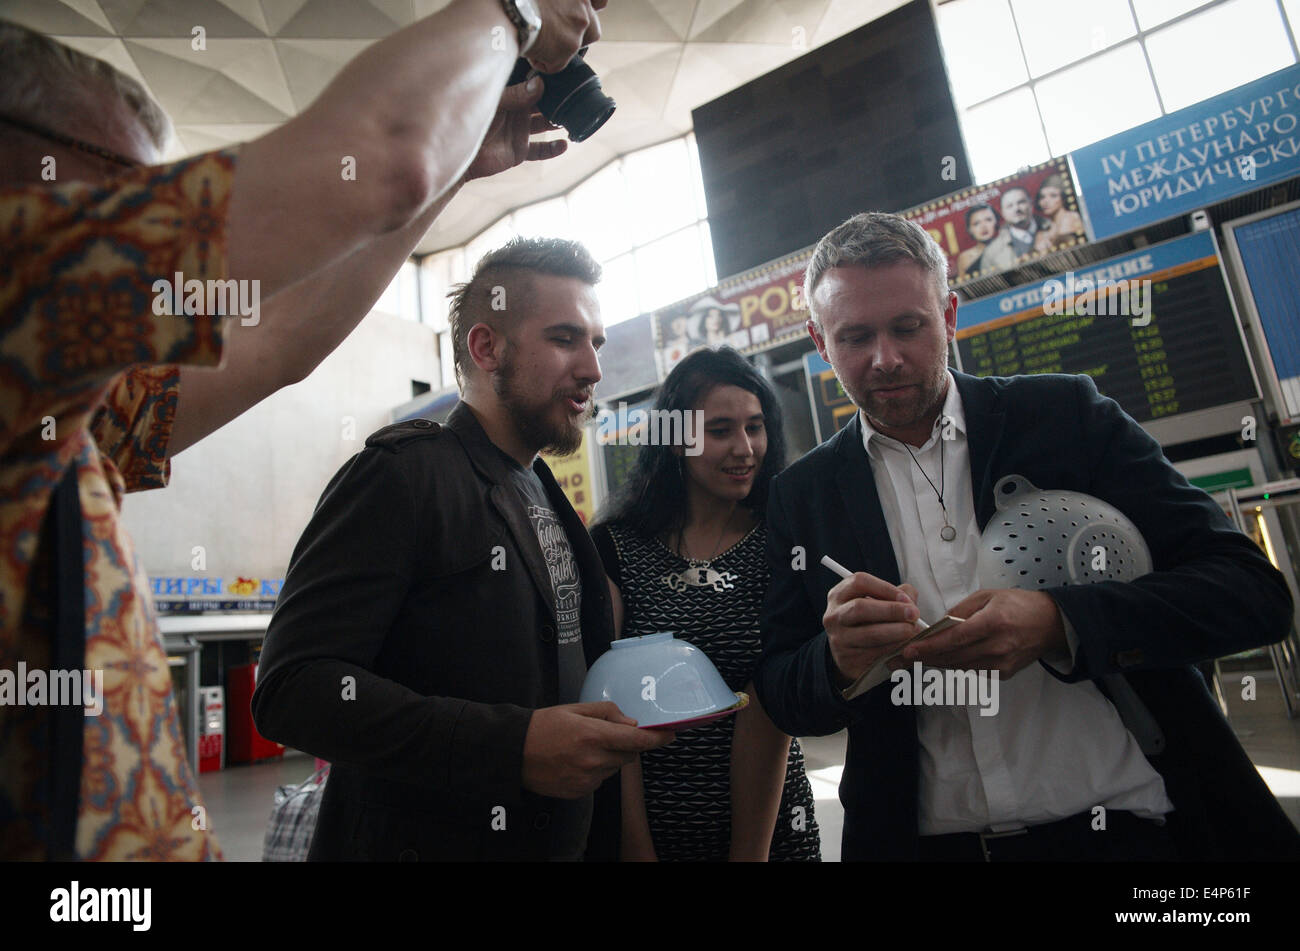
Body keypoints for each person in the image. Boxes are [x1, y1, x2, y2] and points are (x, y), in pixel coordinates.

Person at [0, 0, 608, 861]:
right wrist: (515, 11)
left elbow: (281, 344)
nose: (135, 224)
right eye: (118, 186)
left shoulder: (64, 412)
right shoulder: (14, 296)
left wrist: (457, 173)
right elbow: (391, 159)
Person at [755, 211, 1300, 861]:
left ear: (950, 314)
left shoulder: (1066, 418)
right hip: (925, 846)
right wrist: (838, 662)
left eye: (909, 327)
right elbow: (782, 688)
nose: (886, 358)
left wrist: (1060, 621)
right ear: (819, 341)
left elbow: (1252, 590)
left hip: (1118, 830)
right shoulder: (801, 495)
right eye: (855, 336)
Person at [251, 237, 674, 861]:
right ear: (486, 347)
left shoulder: (547, 495)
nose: (592, 369)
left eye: (596, 343)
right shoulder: (403, 475)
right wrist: (512, 747)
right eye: (564, 339)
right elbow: (292, 688)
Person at [590, 347, 821, 861]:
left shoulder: (783, 541)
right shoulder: (616, 548)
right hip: (653, 833)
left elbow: (775, 703)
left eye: (755, 427)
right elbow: (608, 710)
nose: (745, 449)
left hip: (772, 833)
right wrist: (636, 849)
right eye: (720, 430)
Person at [976, 186, 1039, 272]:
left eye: (1021, 202)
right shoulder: (991, 253)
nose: (1017, 209)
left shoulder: (1056, 229)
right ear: (1002, 213)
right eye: (1010, 206)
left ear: (1031, 204)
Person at [1032, 173, 1085, 253]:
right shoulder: (1042, 232)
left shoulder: (1072, 217)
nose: (1046, 201)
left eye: (1053, 196)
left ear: (1063, 198)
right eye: (1042, 197)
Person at [954, 203, 999, 282]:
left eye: (988, 220)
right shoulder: (965, 258)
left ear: (995, 221)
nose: (983, 226)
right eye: (976, 223)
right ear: (969, 229)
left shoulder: (1007, 246)